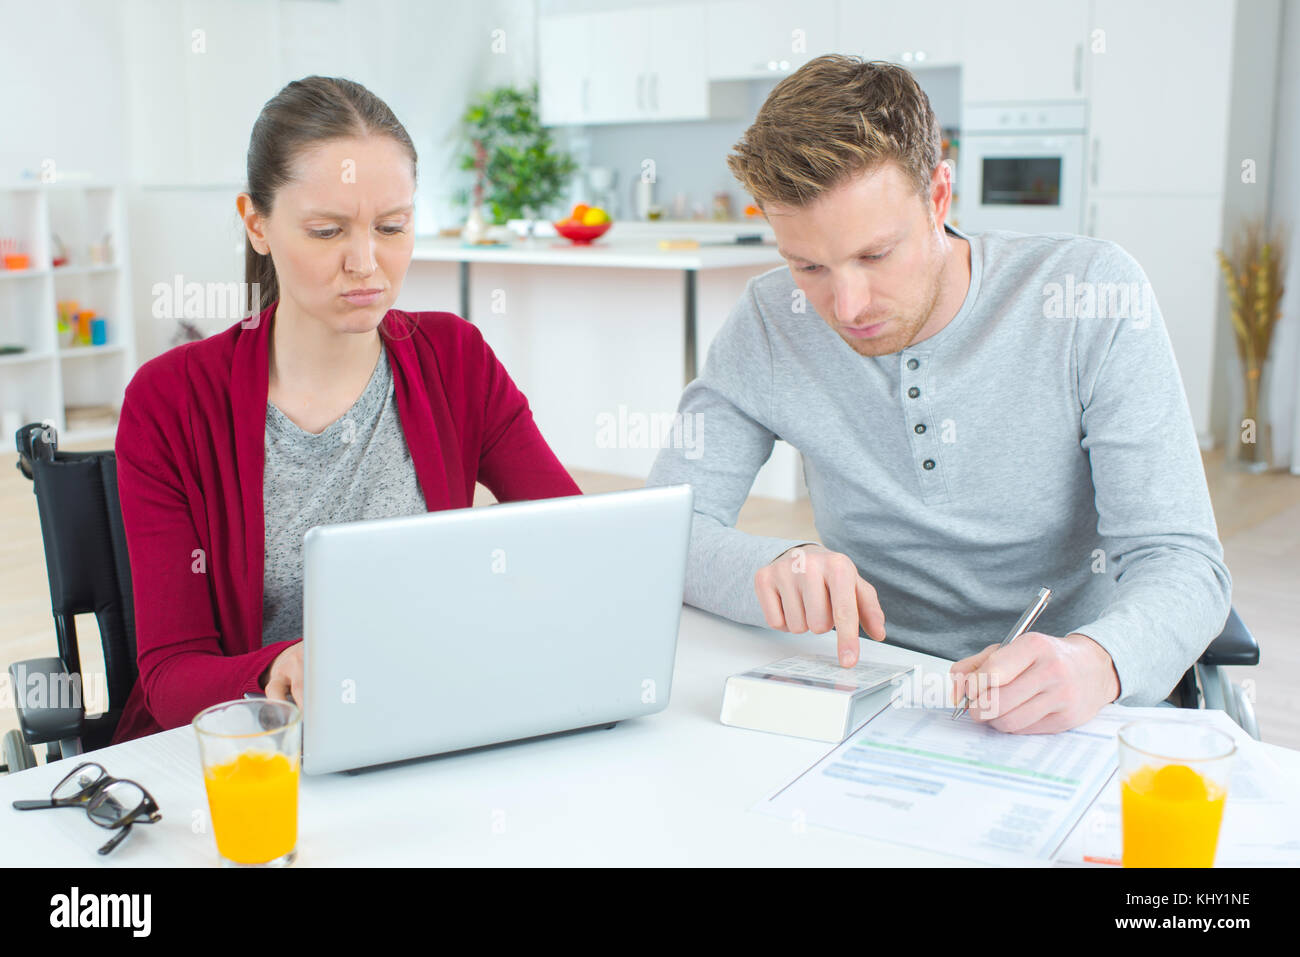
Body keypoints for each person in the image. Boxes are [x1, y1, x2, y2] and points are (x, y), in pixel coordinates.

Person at [647, 55, 1232, 734]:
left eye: (875, 255)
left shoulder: (1089, 296)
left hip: (1074, 710)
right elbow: (666, 534)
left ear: (939, 197)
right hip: (877, 693)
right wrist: (772, 564)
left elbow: (1183, 563)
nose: (847, 304)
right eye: (808, 265)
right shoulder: (772, 321)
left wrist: (1097, 660)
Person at [110, 76, 580, 744]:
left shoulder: (456, 359)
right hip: (252, 752)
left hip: (426, 725)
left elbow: (573, 542)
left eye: (392, 227)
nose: (367, 263)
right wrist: (281, 663)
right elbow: (171, 673)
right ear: (257, 224)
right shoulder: (170, 401)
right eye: (327, 231)